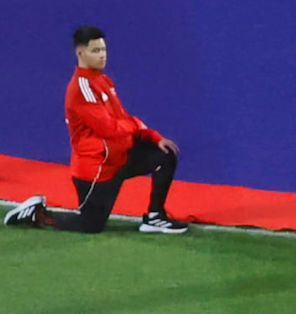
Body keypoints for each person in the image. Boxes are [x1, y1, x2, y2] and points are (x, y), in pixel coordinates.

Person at [12, 28, 187, 235]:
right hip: (97, 169)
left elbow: (123, 117)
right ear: (80, 53)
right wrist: (136, 126)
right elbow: (109, 128)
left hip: (119, 159)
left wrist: (153, 136)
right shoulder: (81, 88)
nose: (102, 55)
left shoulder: (104, 81)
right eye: (95, 51)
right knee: (90, 225)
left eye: (104, 49)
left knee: (165, 155)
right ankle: (37, 214)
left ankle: (155, 217)